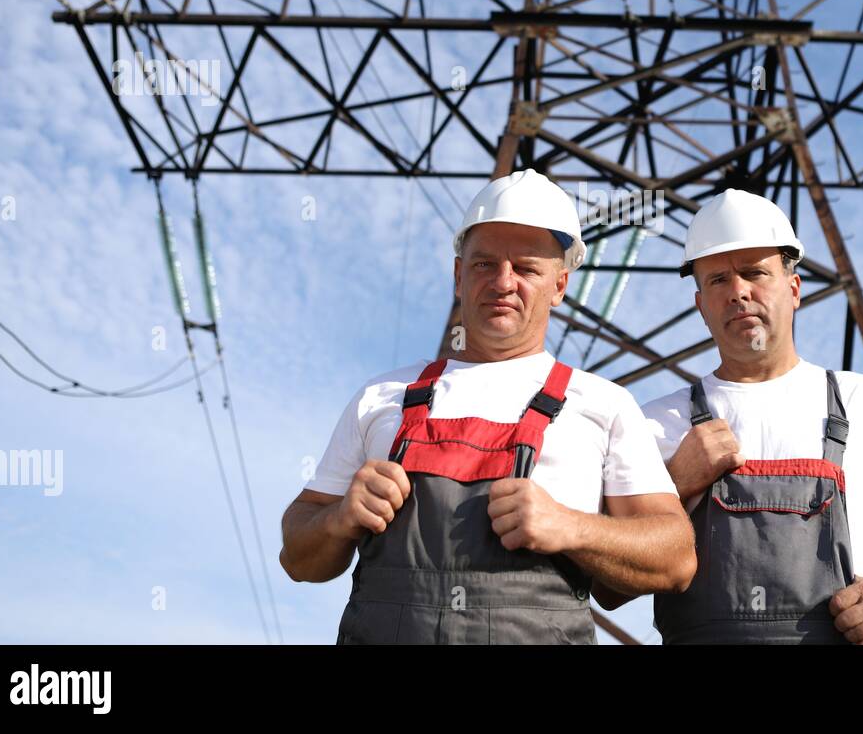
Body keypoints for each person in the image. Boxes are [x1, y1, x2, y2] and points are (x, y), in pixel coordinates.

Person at [278, 169, 695, 644]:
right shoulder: (383, 395)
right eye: (483, 264)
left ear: (559, 285)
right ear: (459, 275)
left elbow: (676, 560)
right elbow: (297, 557)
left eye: (526, 268)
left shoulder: (604, 404)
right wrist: (340, 517)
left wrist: (572, 527)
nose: (503, 282)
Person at [616, 188, 863, 644]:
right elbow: (606, 589)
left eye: (755, 273)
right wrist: (675, 485)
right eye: (717, 280)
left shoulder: (862, 402)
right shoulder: (654, 423)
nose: (738, 292)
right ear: (700, 304)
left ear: (794, 290)